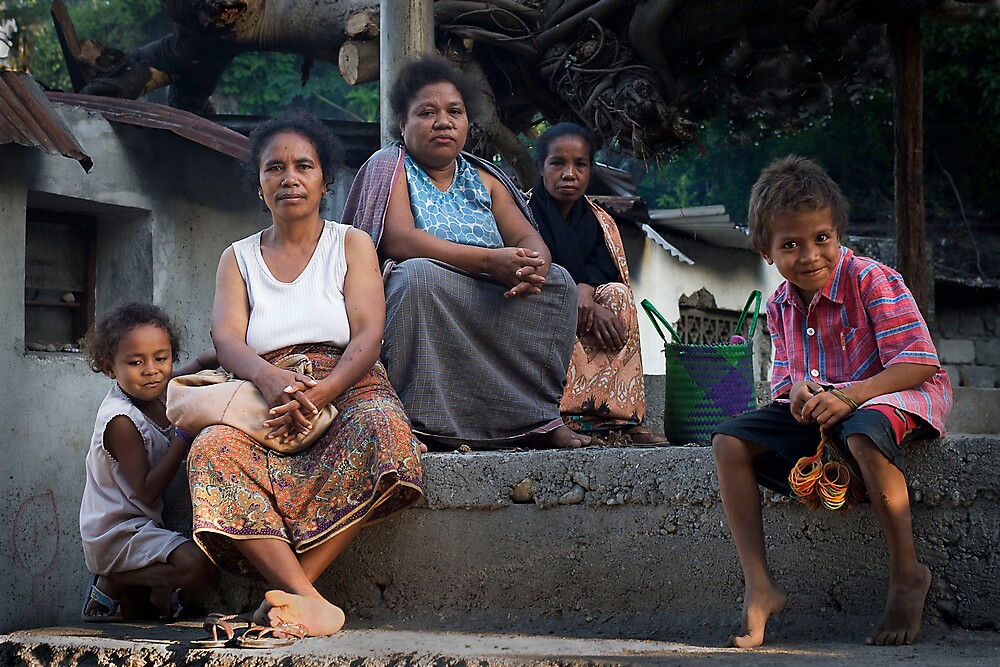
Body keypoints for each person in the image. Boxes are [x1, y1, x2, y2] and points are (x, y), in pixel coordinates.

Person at [187, 112, 424, 639]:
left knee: (384, 430)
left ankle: (295, 595)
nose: (289, 177)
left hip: (347, 382)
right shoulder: (238, 258)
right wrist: (271, 381)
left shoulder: (351, 243)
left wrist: (324, 391)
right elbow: (227, 339)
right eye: (275, 168)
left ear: (324, 181)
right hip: (263, 391)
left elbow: (367, 335)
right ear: (259, 185)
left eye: (303, 166)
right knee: (211, 450)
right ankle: (312, 602)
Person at [711, 156, 952, 648]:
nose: (810, 255)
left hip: (894, 394)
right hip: (835, 408)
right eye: (791, 245)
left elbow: (920, 362)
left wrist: (850, 394)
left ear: (838, 232)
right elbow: (786, 383)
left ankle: (907, 574)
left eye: (822, 237)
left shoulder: (872, 280)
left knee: (863, 428)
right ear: (765, 250)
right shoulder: (779, 304)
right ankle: (759, 585)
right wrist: (797, 394)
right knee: (728, 441)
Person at [342, 53, 586, 450]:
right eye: (426, 112)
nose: (443, 121)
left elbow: (530, 241)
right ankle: (418, 421)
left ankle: (537, 418)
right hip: (435, 293)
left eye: (454, 111)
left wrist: (530, 268)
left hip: (494, 292)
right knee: (416, 276)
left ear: (468, 122)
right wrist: (491, 261)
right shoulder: (391, 165)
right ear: (402, 124)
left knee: (559, 284)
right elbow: (400, 240)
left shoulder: (486, 178)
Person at [528, 122, 667, 445]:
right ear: (541, 167)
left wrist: (587, 292)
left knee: (617, 296)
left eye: (580, 164)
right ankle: (557, 416)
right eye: (558, 163)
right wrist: (571, 293)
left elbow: (607, 268)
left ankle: (621, 417)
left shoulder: (600, 221)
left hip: (587, 313)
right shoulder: (523, 214)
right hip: (541, 311)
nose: (569, 173)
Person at [80, 302, 217, 622]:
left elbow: (175, 381)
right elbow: (145, 492)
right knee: (198, 569)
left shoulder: (151, 389)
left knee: (141, 615)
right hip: (115, 531)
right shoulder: (121, 421)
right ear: (109, 367)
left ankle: (126, 590)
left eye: (161, 358)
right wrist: (184, 436)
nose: (151, 370)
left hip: (142, 524)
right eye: (135, 362)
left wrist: (207, 360)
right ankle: (114, 577)